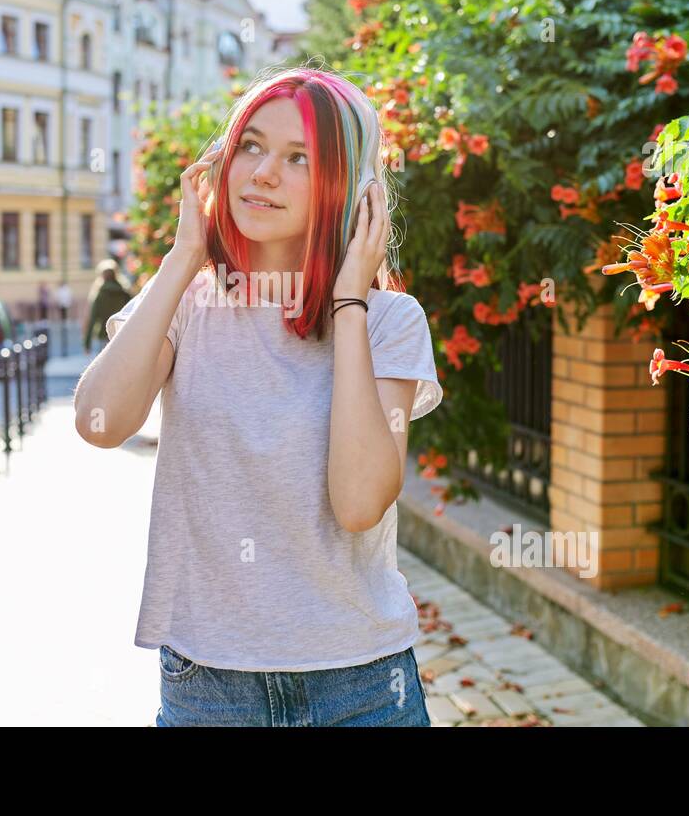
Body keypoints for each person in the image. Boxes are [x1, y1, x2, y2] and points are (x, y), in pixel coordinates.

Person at [73, 65, 444, 726]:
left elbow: (359, 503)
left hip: (360, 685)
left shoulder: (390, 322)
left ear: (346, 189)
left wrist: (351, 301)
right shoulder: (188, 302)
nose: (263, 172)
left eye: (298, 157)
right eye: (251, 145)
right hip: (208, 684)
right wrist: (186, 253)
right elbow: (100, 422)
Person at [83, 259, 133, 354]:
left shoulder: (100, 295)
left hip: (104, 335)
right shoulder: (125, 293)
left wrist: (87, 344)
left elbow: (92, 319)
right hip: (122, 334)